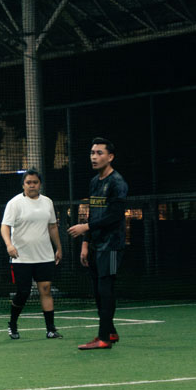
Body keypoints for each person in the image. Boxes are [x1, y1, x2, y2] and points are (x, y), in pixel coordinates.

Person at [67, 137, 129, 350]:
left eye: (99, 153)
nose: (94, 157)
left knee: (106, 288)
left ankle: (103, 338)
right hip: (95, 246)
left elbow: (114, 216)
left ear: (110, 157)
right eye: (92, 152)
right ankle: (110, 332)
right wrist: (86, 243)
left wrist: (85, 228)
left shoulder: (117, 183)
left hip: (112, 247)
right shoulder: (95, 182)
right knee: (97, 289)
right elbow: (93, 214)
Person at [0, 168, 63, 340]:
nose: (32, 185)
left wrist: (58, 247)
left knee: (46, 289)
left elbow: (52, 226)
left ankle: (51, 329)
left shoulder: (47, 202)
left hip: (45, 256)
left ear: (40, 184)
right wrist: (9, 245)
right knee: (23, 292)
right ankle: (12, 325)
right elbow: (5, 226)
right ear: (23, 185)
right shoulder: (14, 203)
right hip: (21, 258)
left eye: (35, 182)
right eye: (28, 182)